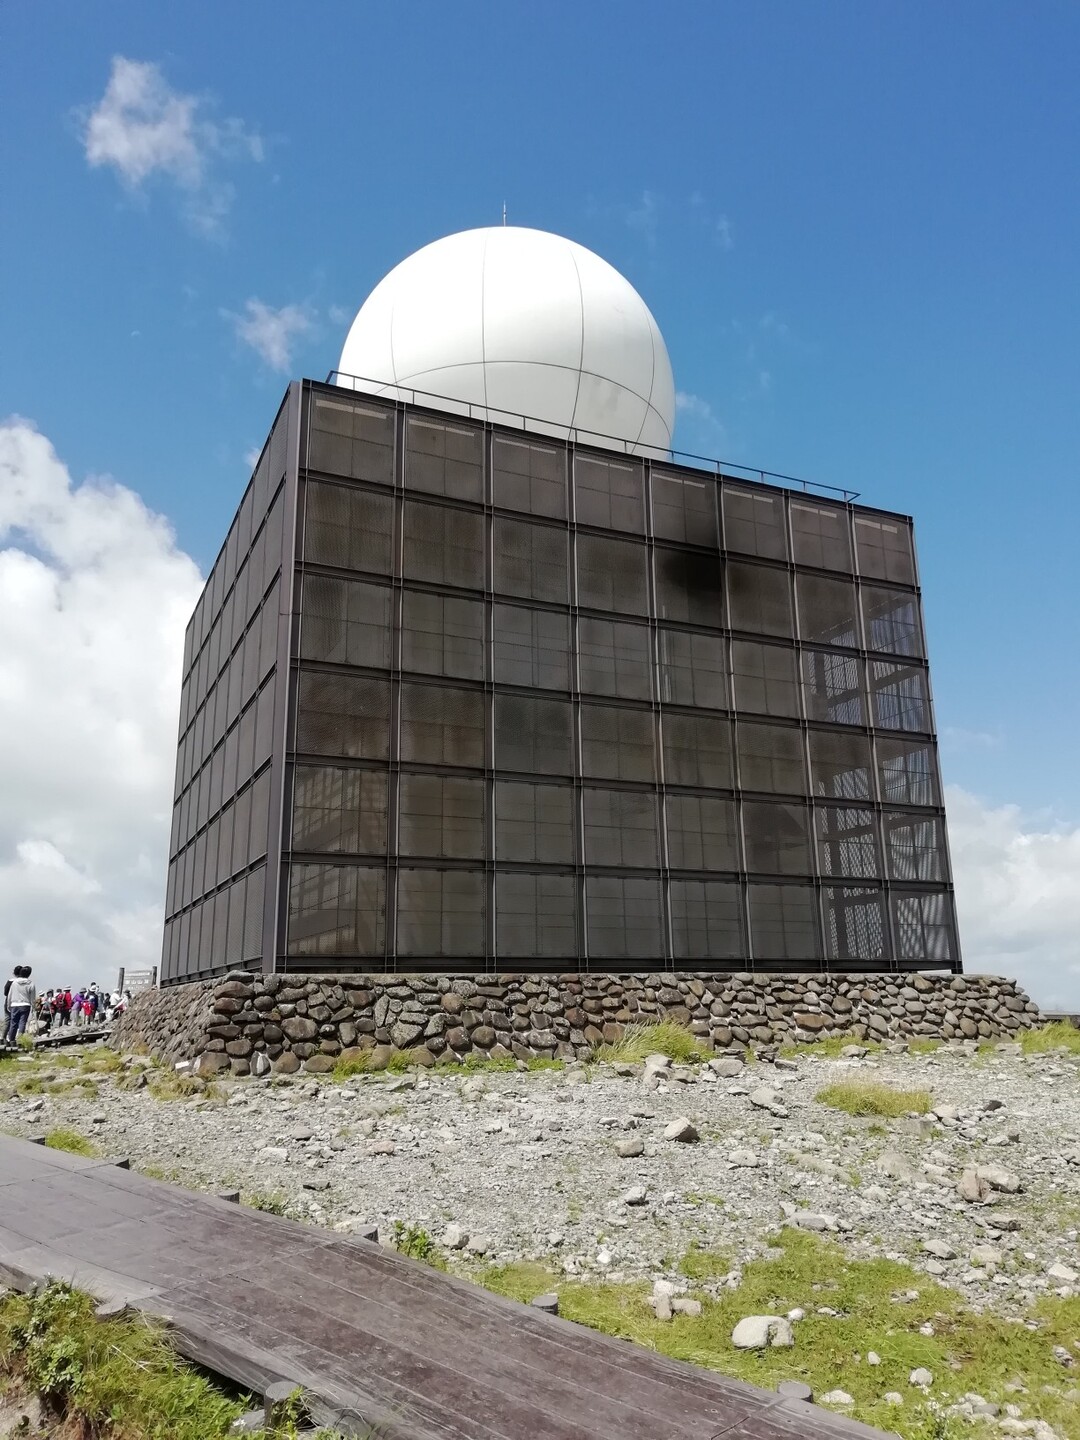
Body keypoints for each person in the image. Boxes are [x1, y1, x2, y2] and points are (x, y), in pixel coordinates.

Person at [5, 965, 35, 1045]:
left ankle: (11, 1040)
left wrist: (8, 1005)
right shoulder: (31, 983)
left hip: (14, 1004)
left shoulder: (14, 982)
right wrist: (33, 1007)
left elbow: (10, 995)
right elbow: (32, 997)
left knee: (13, 1023)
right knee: (22, 1023)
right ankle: (20, 1040)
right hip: (25, 1005)